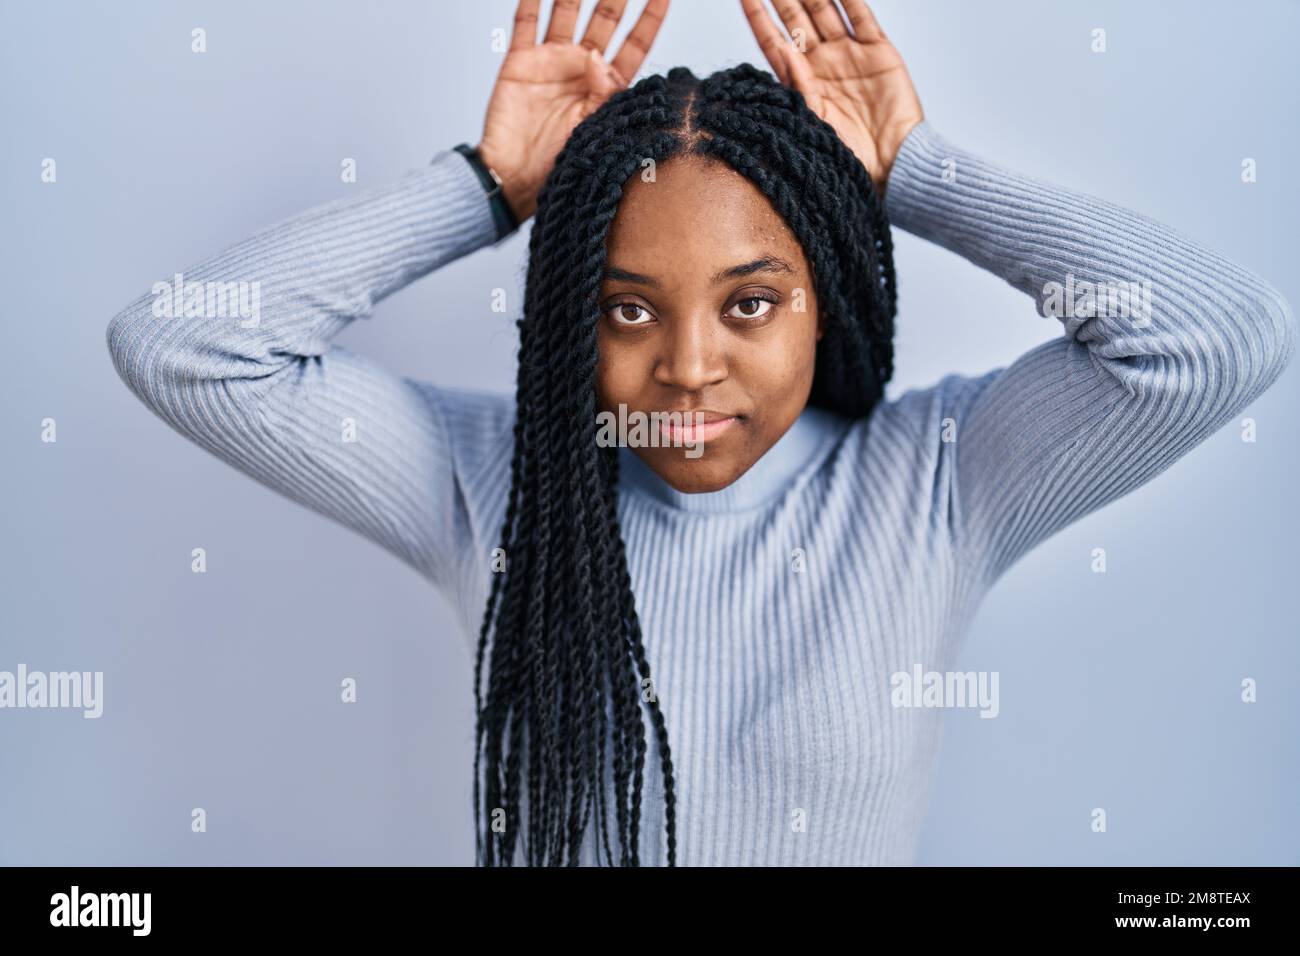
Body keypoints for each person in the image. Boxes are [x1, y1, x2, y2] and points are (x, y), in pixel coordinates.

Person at [105, 0, 1295, 866]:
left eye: (750, 302)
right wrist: (485, 183)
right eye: (627, 306)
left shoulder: (936, 479)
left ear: (827, 293)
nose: (684, 363)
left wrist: (914, 172)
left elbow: (1214, 337)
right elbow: (186, 346)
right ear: (574, 311)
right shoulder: (499, 484)